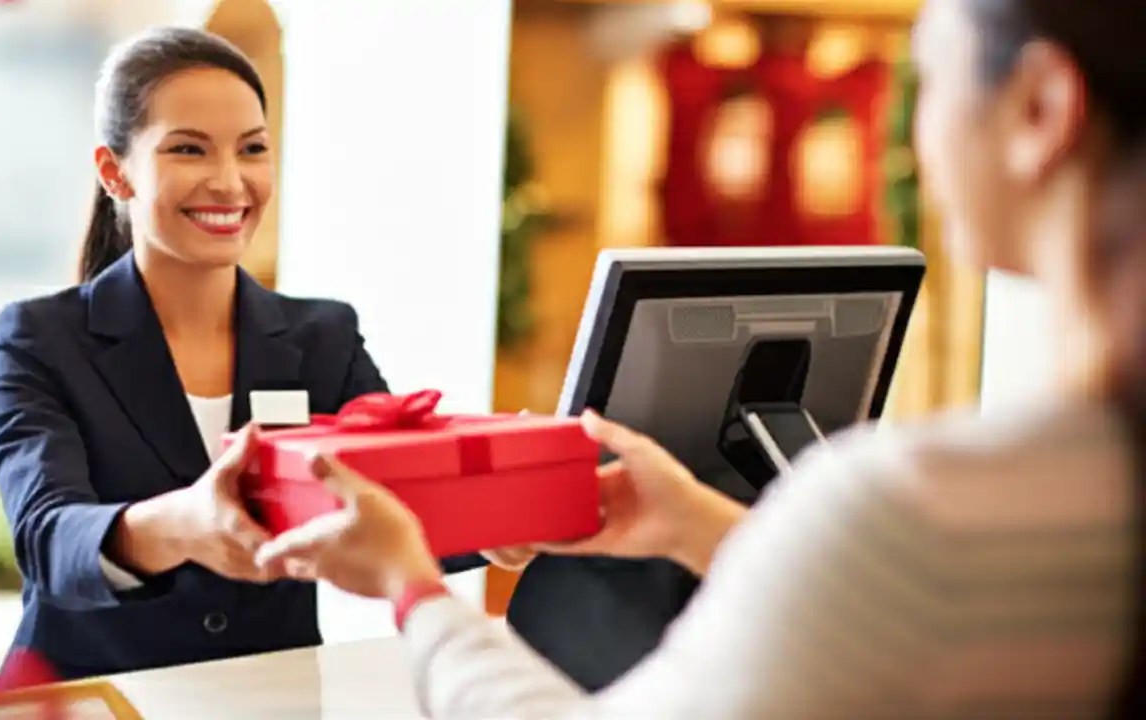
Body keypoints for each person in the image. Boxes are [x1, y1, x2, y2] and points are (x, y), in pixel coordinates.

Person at [255, 0, 1146, 716]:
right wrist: (703, 527)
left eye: (931, 81)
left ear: (1039, 109)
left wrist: (411, 588)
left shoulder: (916, 516)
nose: (913, 138)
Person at [0, 27, 492, 685]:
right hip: (95, 697)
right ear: (116, 172)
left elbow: (392, 498)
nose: (229, 182)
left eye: (252, 149)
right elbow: (49, 535)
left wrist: (499, 525)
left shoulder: (323, 338)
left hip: (270, 695)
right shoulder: (38, 338)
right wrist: (183, 525)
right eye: (189, 149)